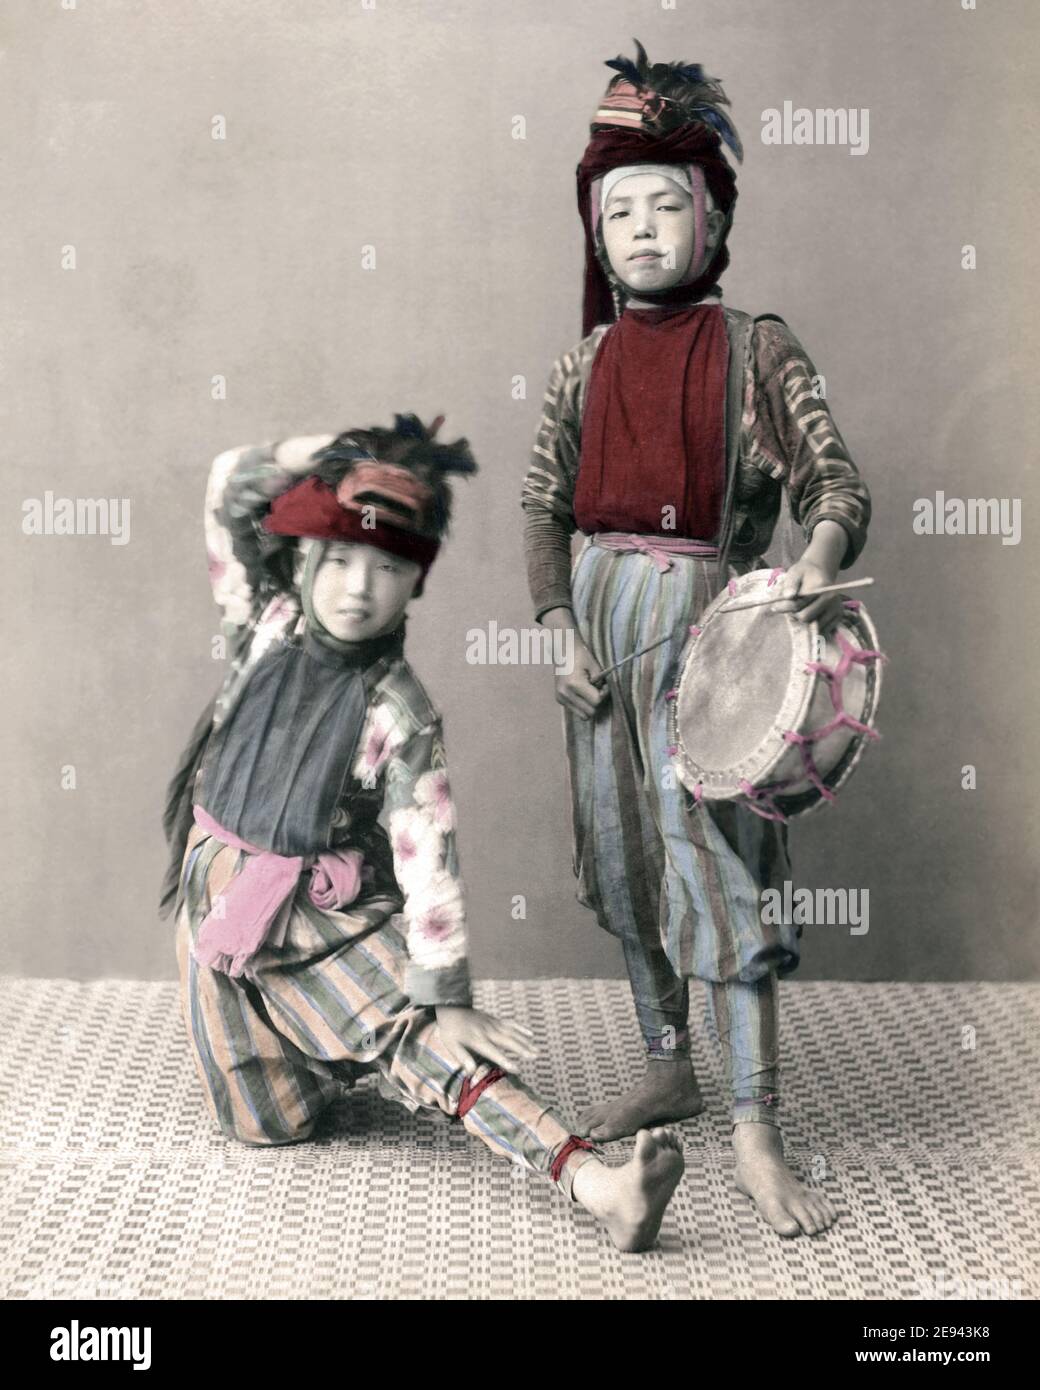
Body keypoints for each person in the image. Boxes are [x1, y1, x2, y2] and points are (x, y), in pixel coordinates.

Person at [161, 413, 684, 1252]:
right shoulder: (262, 621)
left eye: (388, 566)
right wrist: (317, 456)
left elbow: (428, 861)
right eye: (338, 559)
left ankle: (598, 1184)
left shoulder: (397, 710)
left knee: (421, 1038)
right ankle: (323, 1049)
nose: (357, 588)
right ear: (301, 560)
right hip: (216, 909)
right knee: (266, 1125)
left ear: (417, 582)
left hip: (317, 918)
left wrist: (442, 997)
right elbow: (228, 486)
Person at [521, 41, 871, 1237]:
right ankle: (665, 1054)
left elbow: (835, 483)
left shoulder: (756, 349)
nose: (638, 227)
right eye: (614, 210)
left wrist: (810, 568)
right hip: (600, 637)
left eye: (664, 202)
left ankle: (755, 1128)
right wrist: (556, 620)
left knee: (714, 875)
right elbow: (539, 501)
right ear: (592, 230)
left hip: (707, 643)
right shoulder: (583, 364)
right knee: (621, 863)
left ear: (710, 215)